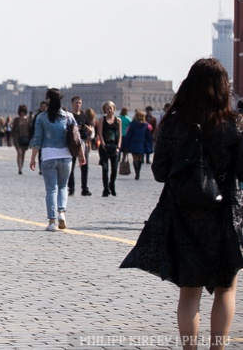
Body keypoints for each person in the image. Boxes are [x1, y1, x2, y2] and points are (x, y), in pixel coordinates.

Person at [120, 58, 243, 350]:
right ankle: (218, 347)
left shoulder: (173, 123)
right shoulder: (233, 125)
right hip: (224, 216)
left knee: (189, 292)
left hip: (184, 215)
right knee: (226, 287)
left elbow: (160, 172)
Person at [29, 88, 85, 231]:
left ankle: (52, 222)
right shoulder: (68, 116)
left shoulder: (41, 117)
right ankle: (61, 213)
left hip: (48, 156)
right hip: (66, 156)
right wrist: (81, 155)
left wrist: (33, 158)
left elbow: (37, 139)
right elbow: (77, 138)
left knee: (51, 189)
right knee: (63, 187)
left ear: (47, 100)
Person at [96, 101, 122, 197]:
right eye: (107, 108)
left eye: (111, 108)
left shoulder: (118, 120)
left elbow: (119, 135)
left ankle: (112, 185)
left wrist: (119, 147)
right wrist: (102, 144)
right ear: (105, 110)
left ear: (114, 109)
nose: (109, 110)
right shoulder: (102, 120)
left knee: (114, 169)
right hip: (105, 147)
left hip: (115, 147)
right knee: (105, 168)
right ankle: (105, 188)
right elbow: (100, 133)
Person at [123, 110, 150, 180]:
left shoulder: (132, 125)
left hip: (133, 143)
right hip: (142, 143)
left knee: (135, 158)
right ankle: (139, 172)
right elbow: (148, 136)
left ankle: (136, 172)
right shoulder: (146, 125)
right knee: (140, 158)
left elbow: (128, 135)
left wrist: (126, 145)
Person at [12, 105, 33, 175]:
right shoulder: (16, 120)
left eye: (23, 112)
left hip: (25, 138)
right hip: (17, 138)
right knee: (19, 153)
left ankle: (21, 167)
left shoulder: (28, 119)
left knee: (23, 154)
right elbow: (13, 129)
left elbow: (30, 129)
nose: (22, 113)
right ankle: (19, 168)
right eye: (21, 112)